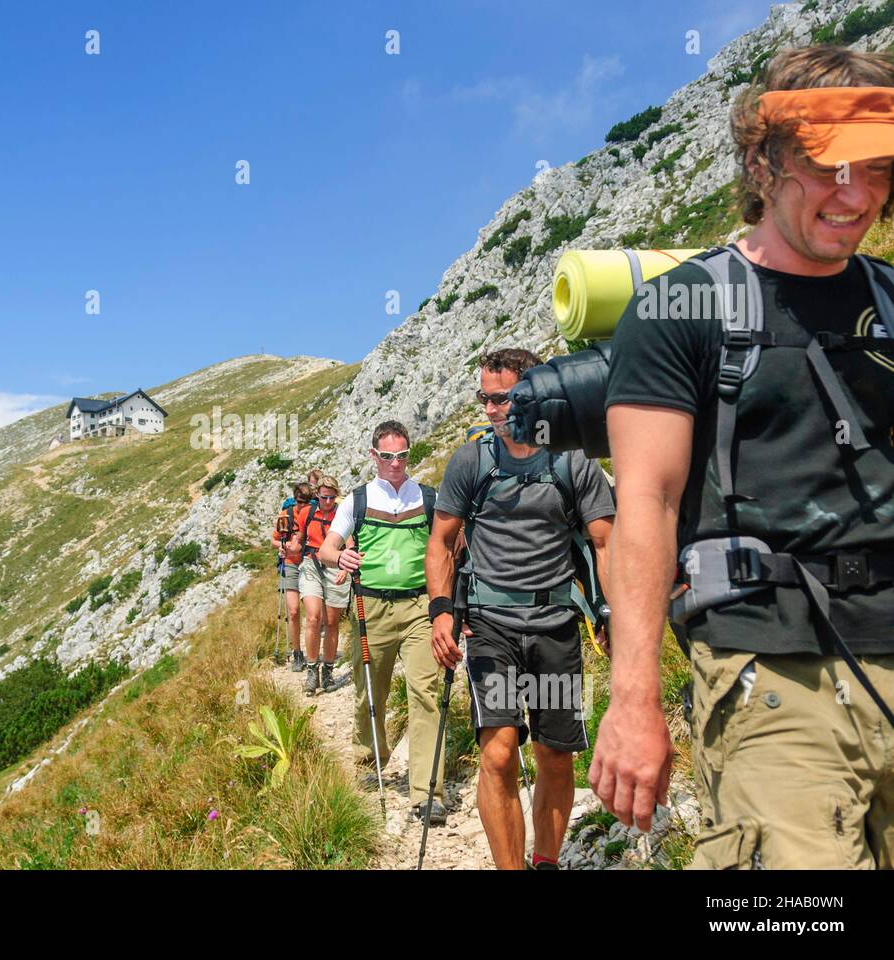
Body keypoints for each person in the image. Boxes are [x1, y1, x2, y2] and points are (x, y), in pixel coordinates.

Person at [591, 46, 894, 868]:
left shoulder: (892, 300)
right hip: (769, 669)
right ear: (764, 161)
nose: (855, 196)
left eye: (877, 171)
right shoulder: (678, 308)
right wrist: (633, 700)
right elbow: (645, 501)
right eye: (828, 170)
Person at [426, 349, 614, 868]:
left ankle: (546, 861)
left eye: (502, 397)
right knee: (499, 751)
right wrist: (442, 611)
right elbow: (441, 542)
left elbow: (606, 541)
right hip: (490, 626)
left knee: (555, 755)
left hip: (556, 624)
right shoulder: (472, 461)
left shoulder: (573, 459)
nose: (491, 408)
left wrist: (612, 612)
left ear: (532, 394)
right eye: (484, 397)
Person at [320, 420, 447, 823]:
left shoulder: (429, 498)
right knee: (369, 692)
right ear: (374, 456)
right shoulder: (356, 501)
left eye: (403, 455)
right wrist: (340, 557)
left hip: (418, 609)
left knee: (426, 692)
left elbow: (449, 546)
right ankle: (367, 759)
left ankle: (428, 792)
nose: (396, 463)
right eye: (388, 456)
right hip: (370, 609)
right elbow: (326, 549)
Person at [293, 475, 349, 695]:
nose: (328, 502)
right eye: (324, 497)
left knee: (333, 622)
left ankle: (327, 672)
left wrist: (345, 568)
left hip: (336, 565)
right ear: (317, 495)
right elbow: (299, 540)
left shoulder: (342, 513)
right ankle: (311, 669)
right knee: (314, 617)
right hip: (311, 564)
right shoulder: (307, 513)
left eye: (332, 498)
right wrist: (290, 547)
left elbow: (350, 544)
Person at [272, 482, 315, 671]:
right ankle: (297, 652)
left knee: (313, 612)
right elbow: (274, 539)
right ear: (294, 499)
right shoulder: (286, 515)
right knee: (294, 610)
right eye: (299, 502)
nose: (302, 506)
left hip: (309, 562)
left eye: (306, 502)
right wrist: (280, 547)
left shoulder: (314, 514)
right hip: (290, 564)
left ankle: (313, 652)